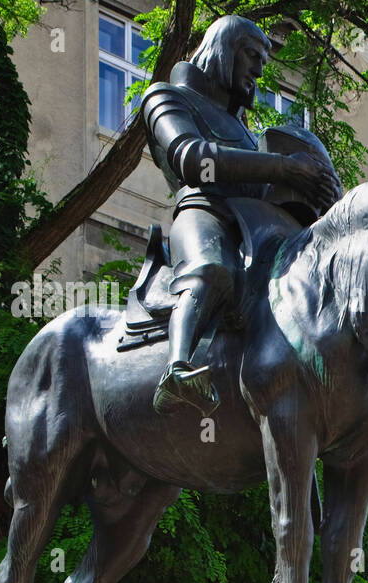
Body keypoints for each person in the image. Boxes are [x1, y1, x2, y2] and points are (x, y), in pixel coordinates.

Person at [141, 16, 340, 415]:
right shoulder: (167, 97)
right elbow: (193, 160)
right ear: (223, 49)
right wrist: (282, 167)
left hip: (256, 228)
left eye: (263, 60)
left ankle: (362, 432)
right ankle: (177, 369)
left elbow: (261, 186)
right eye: (252, 55)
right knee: (212, 269)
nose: (259, 69)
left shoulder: (244, 129)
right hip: (202, 211)